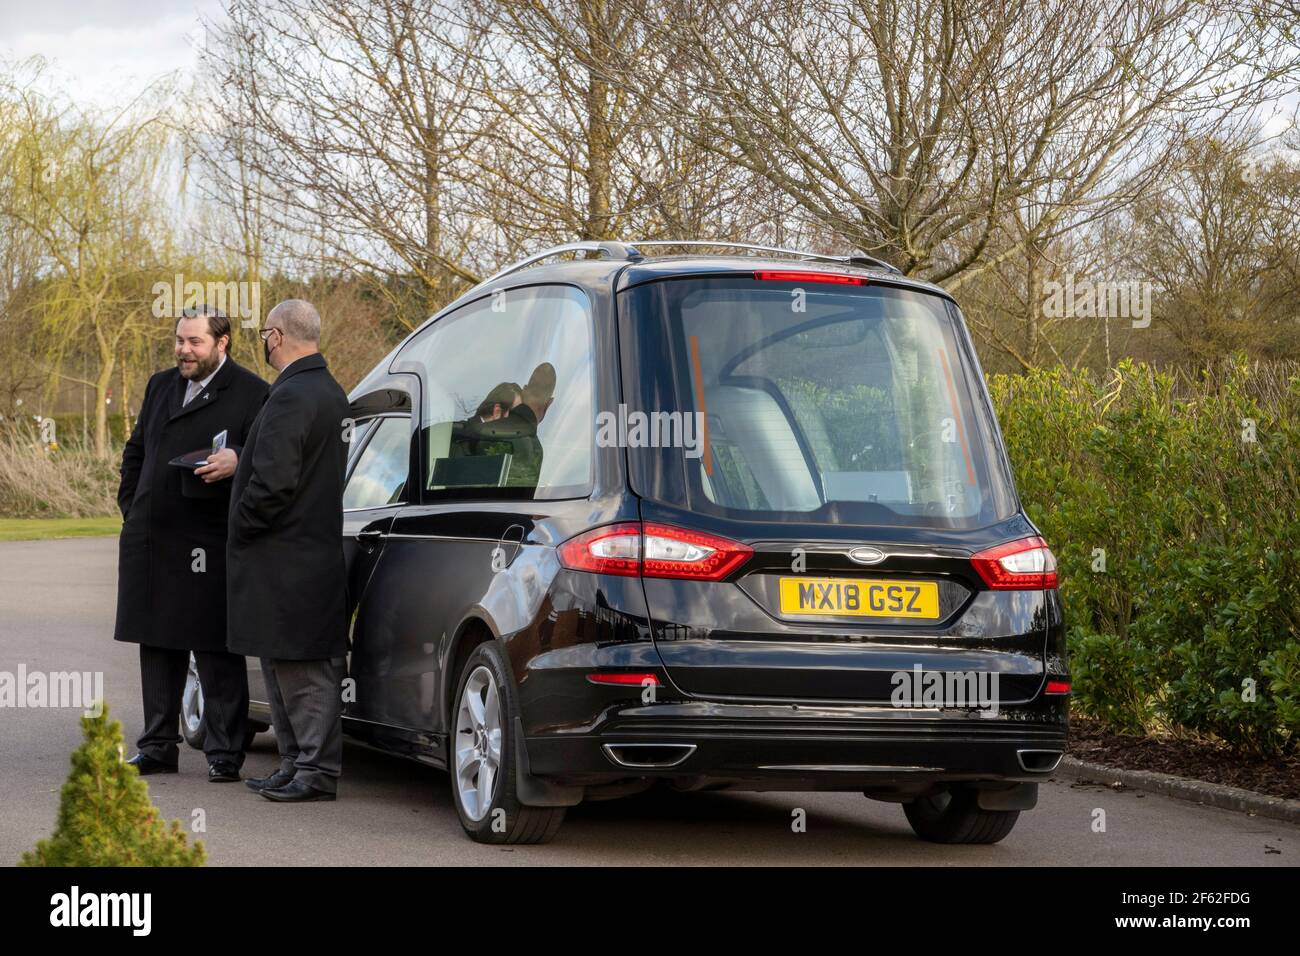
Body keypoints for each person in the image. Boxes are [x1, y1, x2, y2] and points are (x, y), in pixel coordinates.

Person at [116, 306, 269, 782]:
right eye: (179, 340)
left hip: (209, 539)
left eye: (194, 342)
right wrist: (133, 505)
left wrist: (238, 458)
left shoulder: (252, 393)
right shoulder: (160, 384)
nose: (183, 350)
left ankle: (224, 753)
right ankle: (158, 745)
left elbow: (268, 458)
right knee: (157, 643)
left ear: (222, 343)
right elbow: (137, 449)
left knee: (216, 646)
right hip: (151, 536)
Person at [227, 299, 350, 802]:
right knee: (282, 663)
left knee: (304, 670)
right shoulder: (329, 391)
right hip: (302, 554)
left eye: (263, 335)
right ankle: (295, 763)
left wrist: (240, 524)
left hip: (287, 557)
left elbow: (274, 482)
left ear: (276, 337)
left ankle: (315, 771)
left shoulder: (292, 395)